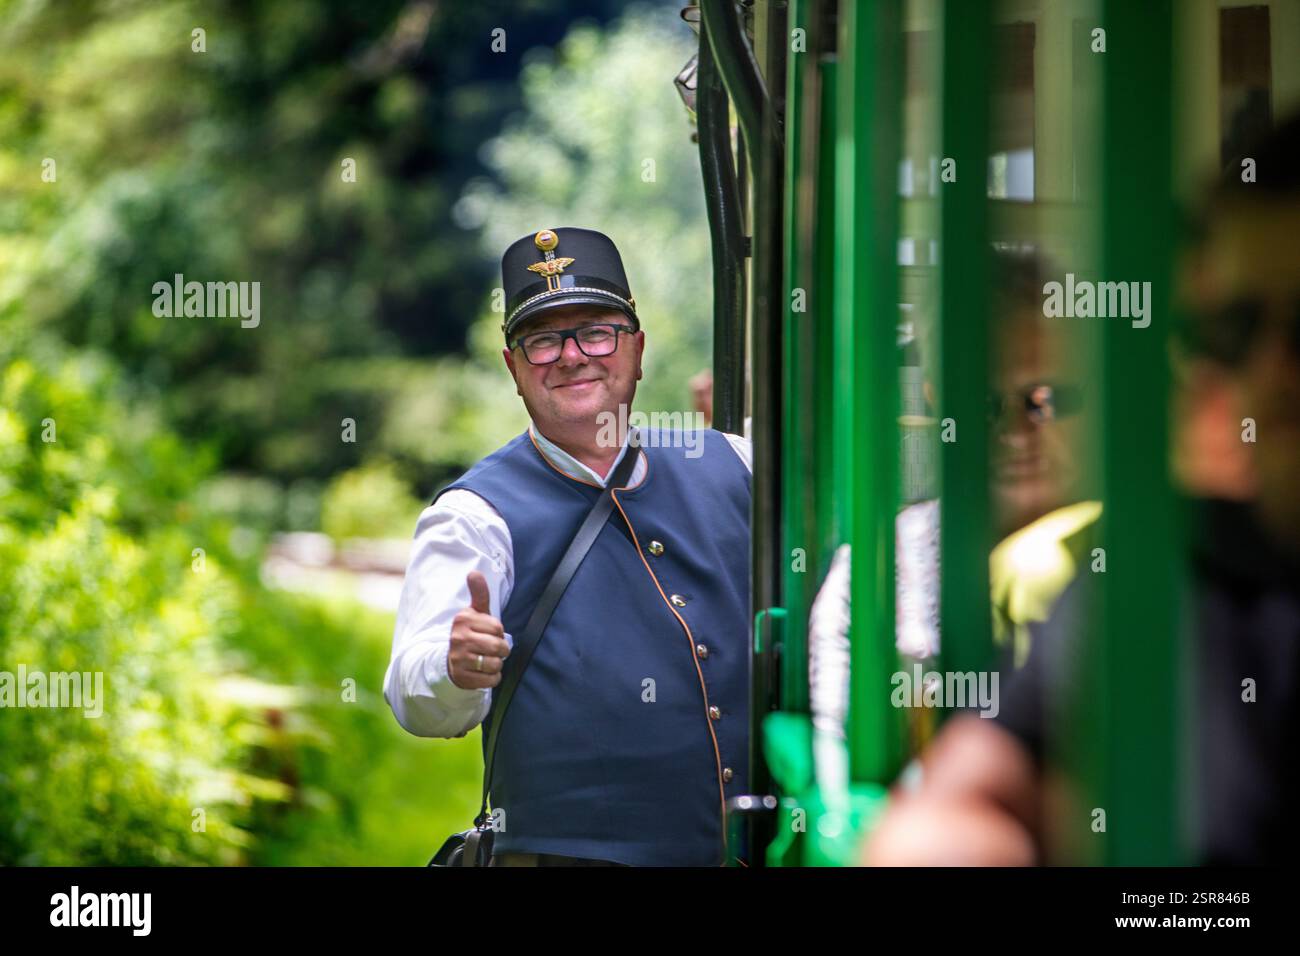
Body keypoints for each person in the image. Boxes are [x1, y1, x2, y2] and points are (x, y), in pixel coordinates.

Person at [862, 111, 1300, 866]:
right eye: (1233, 330)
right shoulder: (1169, 572)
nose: (1269, 371)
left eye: (1047, 401)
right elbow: (962, 805)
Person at [384, 227, 753, 866]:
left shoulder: (737, 464)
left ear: (637, 348)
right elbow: (414, 696)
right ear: (513, 368)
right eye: (544, 339)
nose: (573, 355)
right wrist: (454, 667)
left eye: (597, 331)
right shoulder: (474, 517)